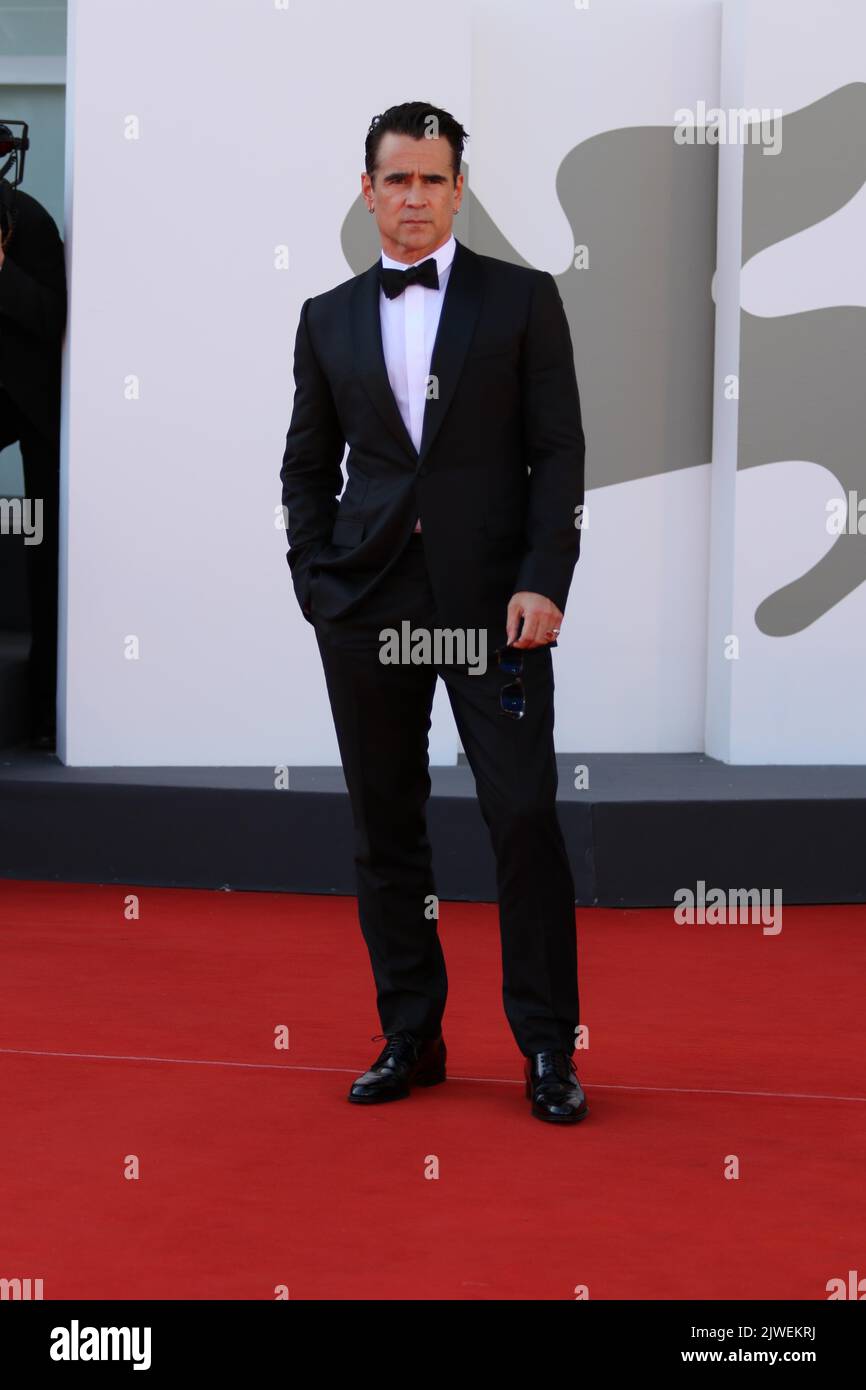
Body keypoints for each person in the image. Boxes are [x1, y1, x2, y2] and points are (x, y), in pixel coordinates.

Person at [280, 102, 588, 1124]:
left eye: (432, 180)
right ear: (365, 189)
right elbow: (306, 466)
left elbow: (559, 456)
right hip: (366, 601)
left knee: (522, 817)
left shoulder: (521, 301)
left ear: (459, 189)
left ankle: (547, 1047)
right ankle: (409, 1033)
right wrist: (317, 580)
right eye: (395, 179)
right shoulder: (325, 317)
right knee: (385, 829)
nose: (412, 198)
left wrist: (544, 578)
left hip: (494, 605)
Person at [0, 142, 67, 751]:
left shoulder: (31, 219)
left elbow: (52, 320)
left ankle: (46, 711)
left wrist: (0, 268)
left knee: (47, 553)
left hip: (35, 408)